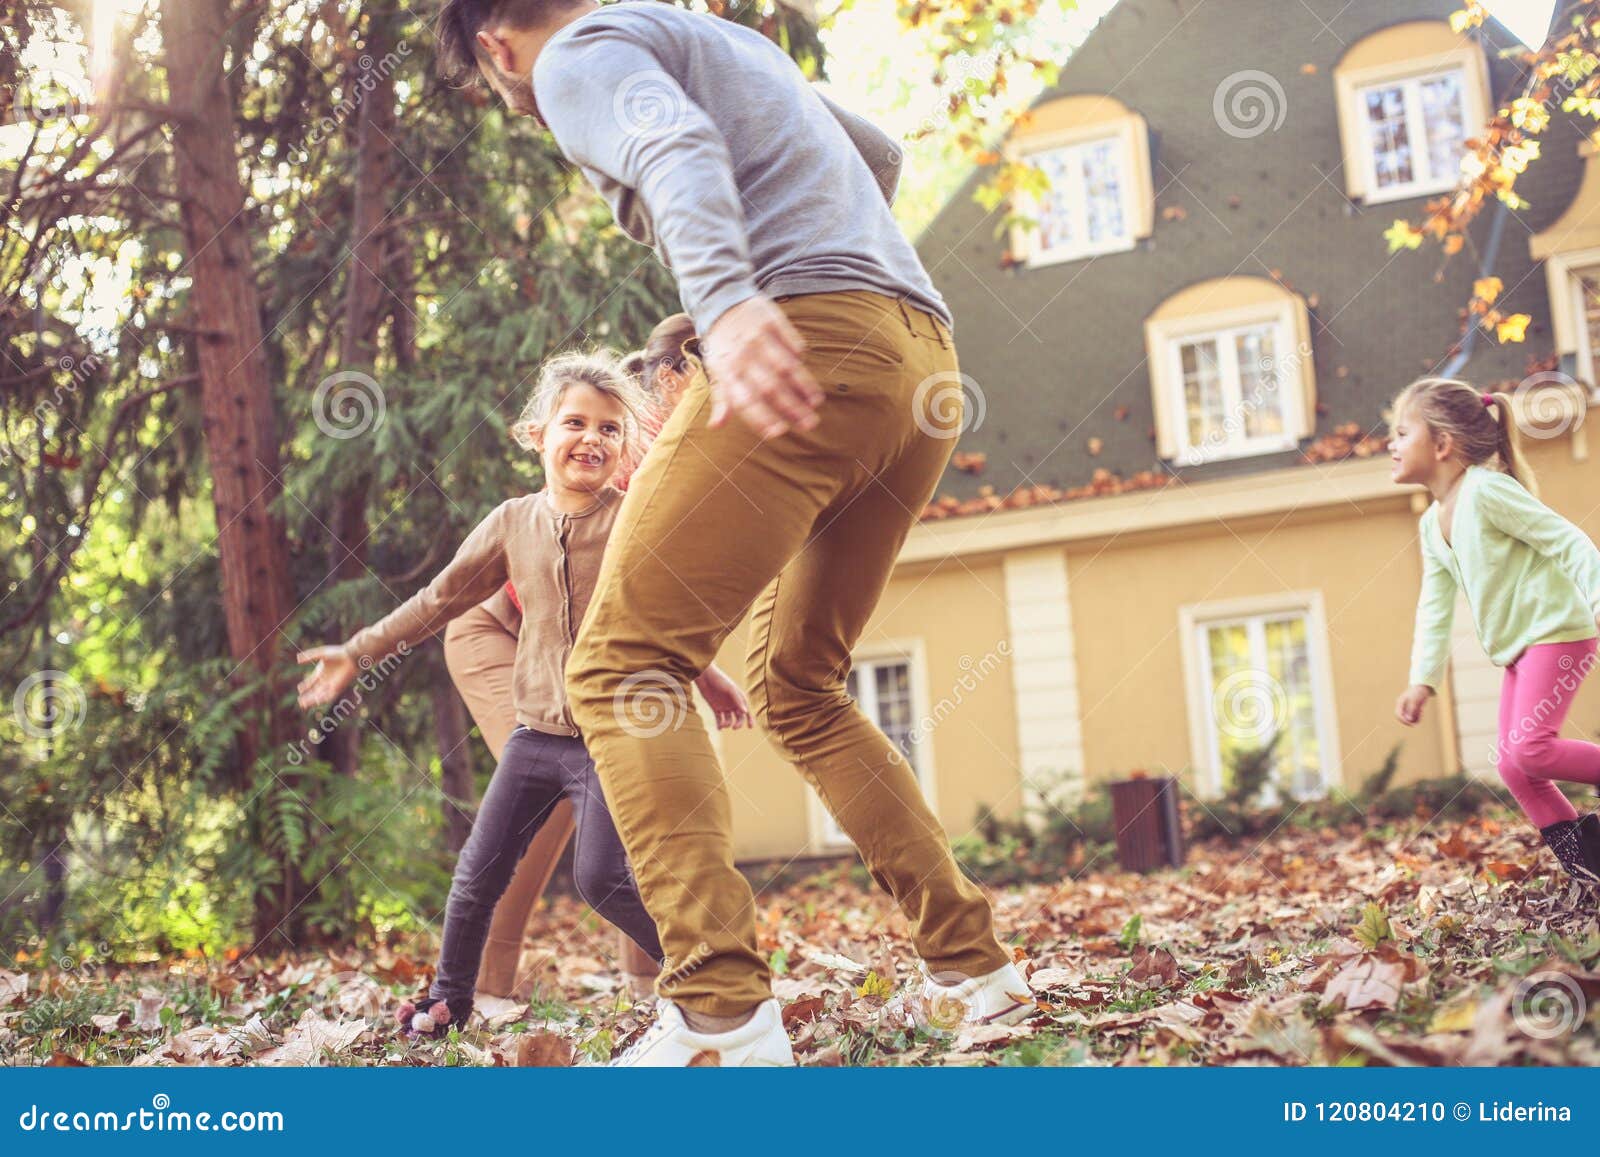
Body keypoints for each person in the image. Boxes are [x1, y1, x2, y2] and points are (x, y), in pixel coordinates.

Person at [435, 0, 1031, 1066]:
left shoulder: (572, 54)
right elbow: (877, 151)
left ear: (493, 45)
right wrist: (831, 262)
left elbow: (671, 143)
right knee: (799, 684)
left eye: (494, 86)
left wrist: (732, 302)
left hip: (810, 330)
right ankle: (974, 963)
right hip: (919, 359)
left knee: (619, 663)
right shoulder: (724, 42)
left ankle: (721, 1016)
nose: (514, 100)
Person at [295, 350, 752, 1036]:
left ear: (625, 447)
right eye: (576, 422)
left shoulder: (632, 518)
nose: (591, 438)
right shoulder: (512, 522)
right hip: (534, 738)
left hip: (606, 738)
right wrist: (359, 651)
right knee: (477, 872)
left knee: (601, 877)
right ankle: (449, 999)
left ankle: (714, 978)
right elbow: (439, 598)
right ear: (537, 434)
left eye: (609, 428)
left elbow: (667, 609)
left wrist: (707, 676)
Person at [450, 317, 700, 1001]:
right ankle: (484, 987)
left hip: (584, 650)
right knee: (555, 794)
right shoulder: (638, 446)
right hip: (495, 630)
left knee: (631, 790)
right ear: (675, 378)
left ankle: (647, 984)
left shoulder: (696, 449)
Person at [1391, 377, 1600, 884]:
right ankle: (1589, 868)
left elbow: (1567, 541)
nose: (1390, 445)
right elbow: (1434, 606)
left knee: (1530, 749)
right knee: (1513, 766)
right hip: (1519, 649)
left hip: (1558, 633)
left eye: (1401, 433)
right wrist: (1422, 679)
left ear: (1442, 444)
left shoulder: (1487, 491)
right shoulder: (1431, 524)